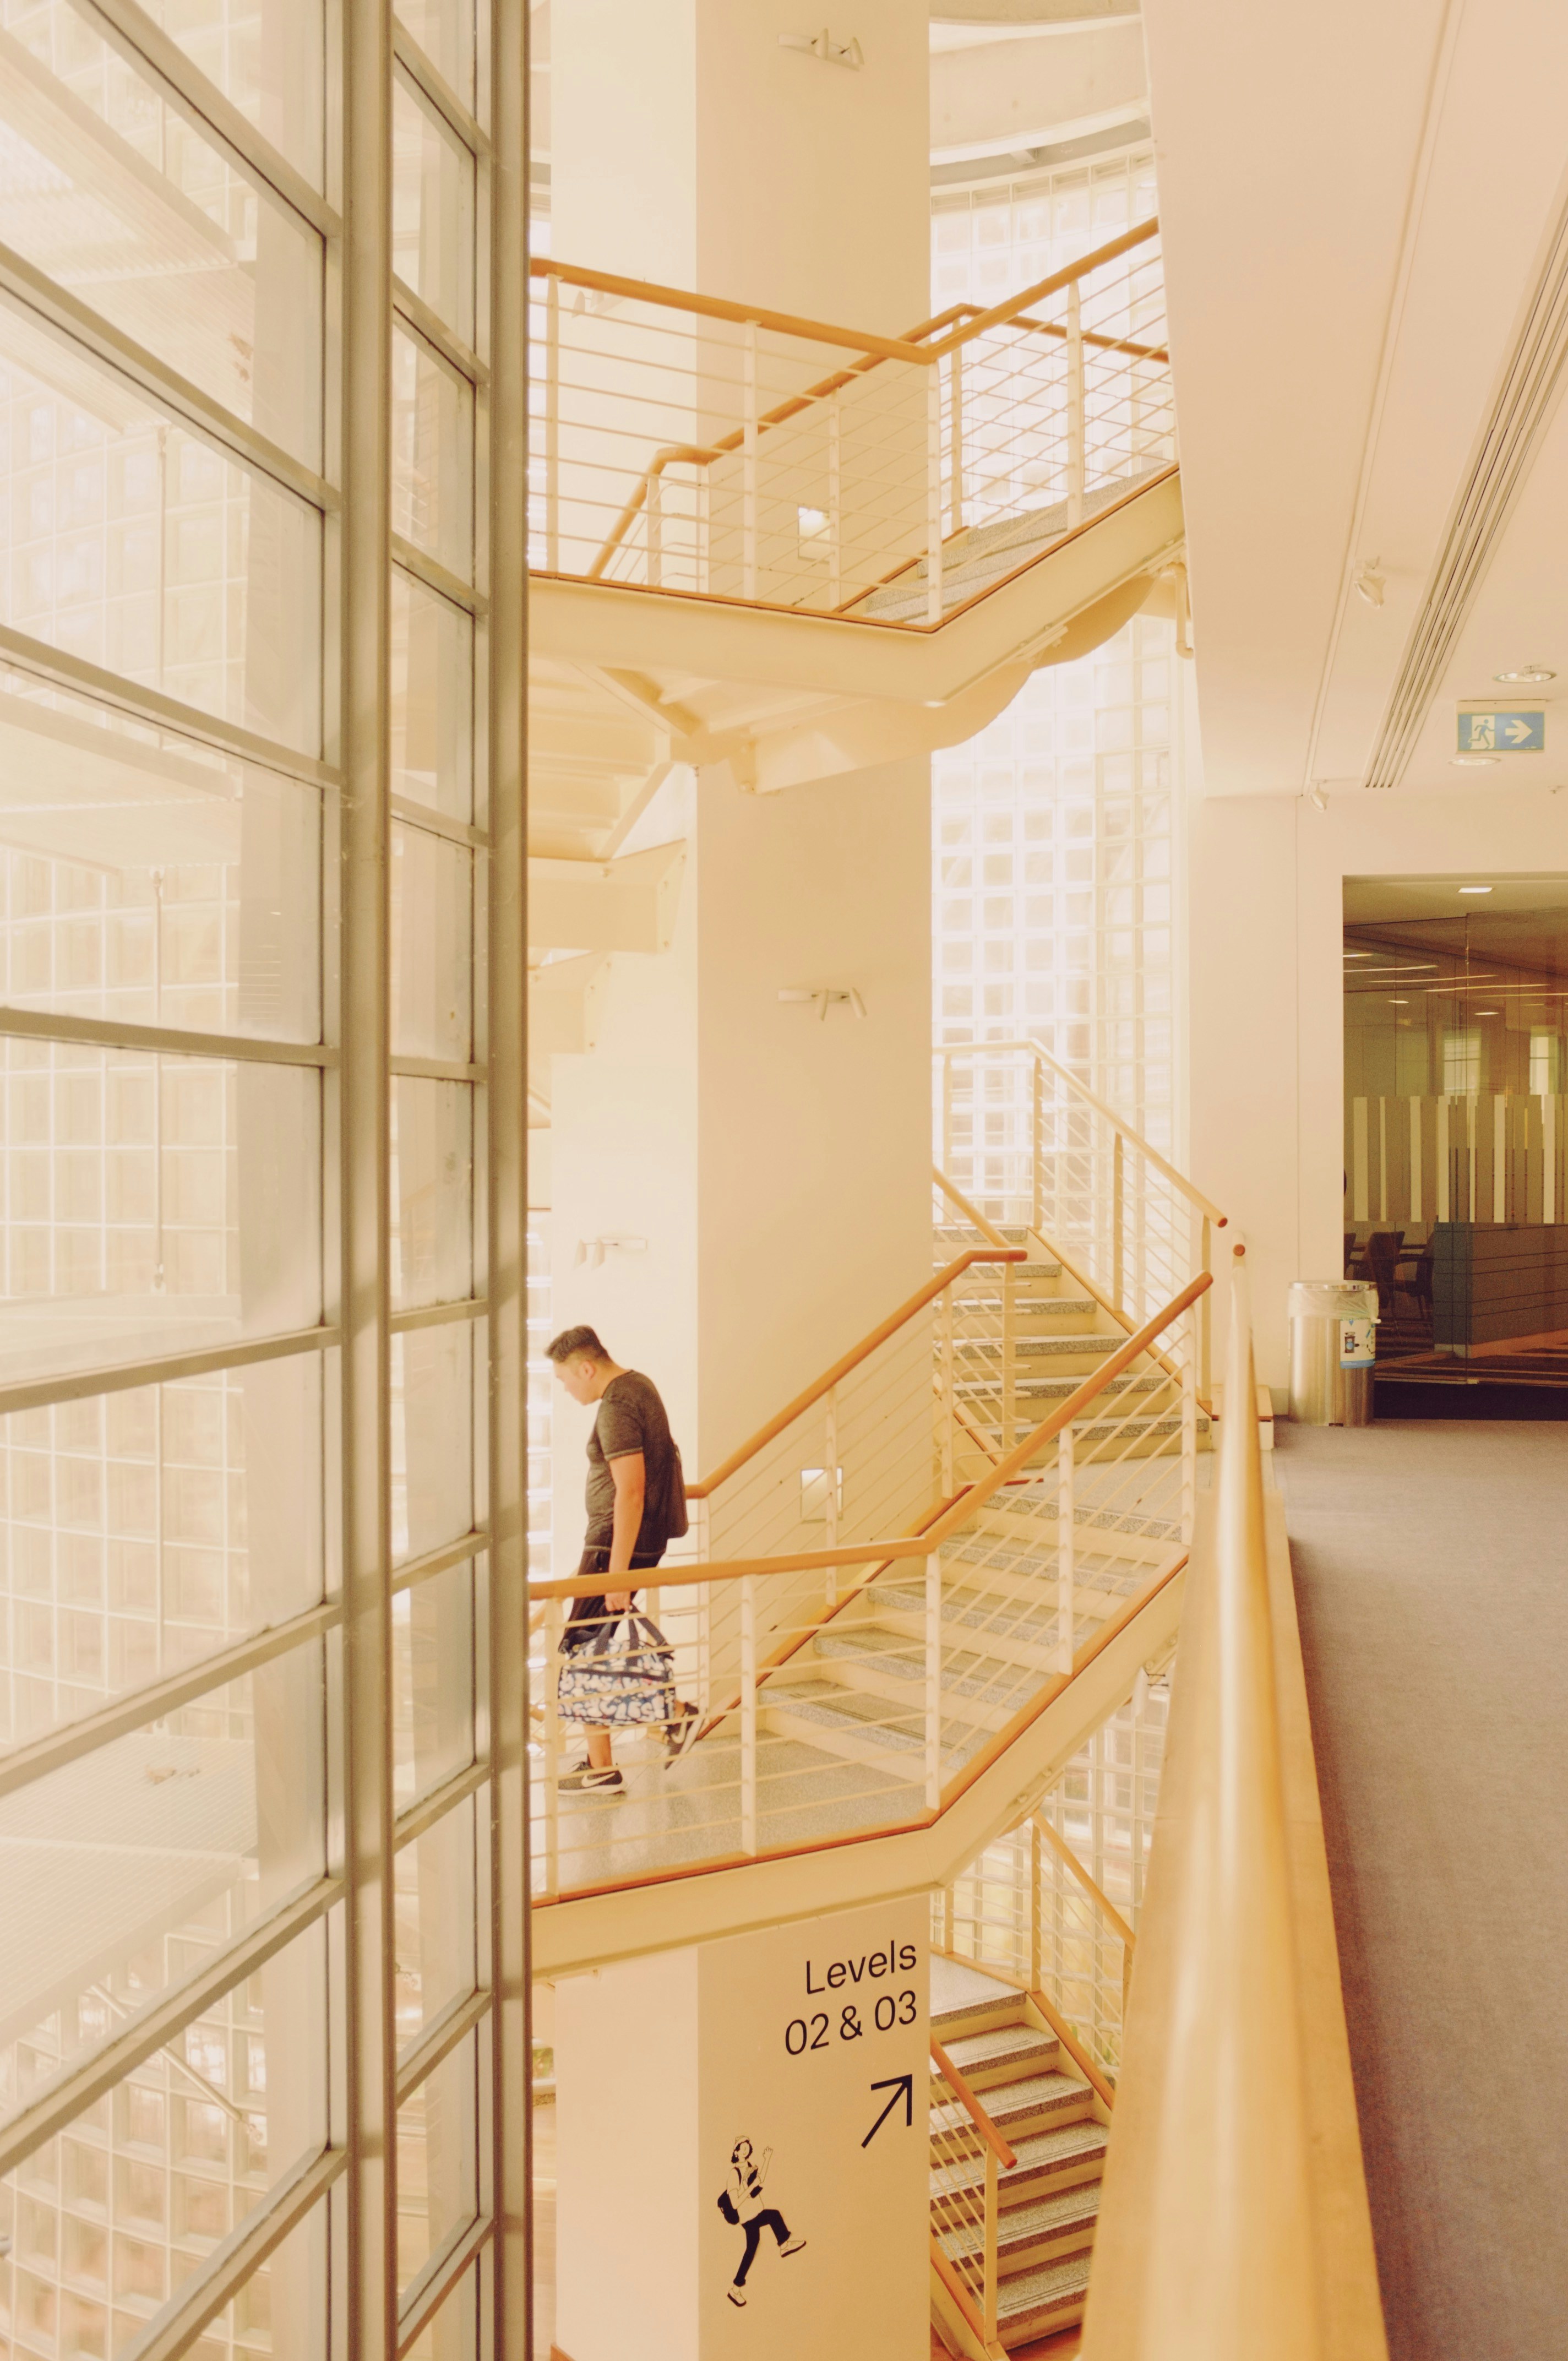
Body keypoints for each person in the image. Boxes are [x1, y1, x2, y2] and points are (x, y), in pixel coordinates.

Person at [546, 1325, 698, 1795]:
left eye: (565, 1379)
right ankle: (605, 1763)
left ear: (586, 1368)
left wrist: (616, 1575)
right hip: (625, 1546)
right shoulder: (640, 1385)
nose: (566, 1389)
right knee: (592, 1647)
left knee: (581, 1648)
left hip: (616, 1546)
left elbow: (630, 1492)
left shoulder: (616, 1407)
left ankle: (661, 1725)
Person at [717, 2139, 804, 2307]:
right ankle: (784, 2245)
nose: (745, 2150)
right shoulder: (734, 2174)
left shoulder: (749, 2167)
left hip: (756, 2212)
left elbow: (760, 2180)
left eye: (747, 2148)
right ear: (736, 2152)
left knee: (765, 2228)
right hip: (748, 2217)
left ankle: (736, 2288)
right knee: (771, 2220)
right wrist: (751, 2187)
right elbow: (735, 2203)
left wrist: (767, 2160)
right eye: (742, 2148)